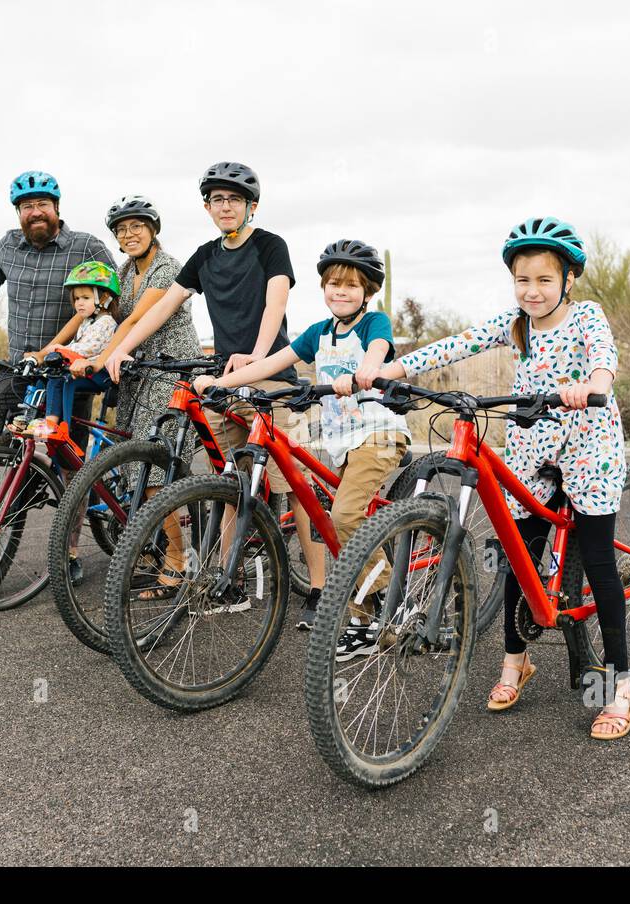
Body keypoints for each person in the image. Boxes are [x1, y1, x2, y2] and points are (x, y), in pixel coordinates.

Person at [370, 217, 630, 739]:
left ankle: (622, 685)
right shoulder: (515, 324)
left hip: (589, 442)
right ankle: (516, 662)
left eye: (544, 279)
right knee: (518, 554)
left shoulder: (586, 316)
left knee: (600, 562)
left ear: (568, 280)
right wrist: (391, 372)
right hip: (533, 442)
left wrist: (593, 383)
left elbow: (604, 357)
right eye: (522, 280)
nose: (532, 291)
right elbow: (456, 345)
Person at [104, 162, 308, 613]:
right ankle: (230, 582)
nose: (226, 206)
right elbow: (163, 307)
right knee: (230, 484)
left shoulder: (271, 245)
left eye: (234, 199)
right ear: (207, 208)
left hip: (269, 377)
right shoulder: (205, 256)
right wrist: (123, 348)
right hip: (225, 382)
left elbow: (275, 303)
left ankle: (318, 586)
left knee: (293, 486)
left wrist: (257, 356)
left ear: (251, 206)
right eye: (217, 200)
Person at [193, 239, 409, 633]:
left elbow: (378, 348)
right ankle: (364, 621)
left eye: (351, 285)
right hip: (342, 442)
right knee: (338, 525)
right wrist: (220, 384)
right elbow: (271, 363)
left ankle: (385, 601)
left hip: (377, 435)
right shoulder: (318, 333)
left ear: (368, 292)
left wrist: (367, 370)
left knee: (343, 517)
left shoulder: (373, 323)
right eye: (333, 284)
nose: (340, 291)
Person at [0, 170, 117, 448]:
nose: (36, 212)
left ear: (56, 207)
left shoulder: (86, 246)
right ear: (18, 212)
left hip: (67, 374)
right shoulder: (7, 246)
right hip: (20, 368)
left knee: (68, 462)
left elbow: (116, 298)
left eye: (43, 204)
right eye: (27, 206)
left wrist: (106, 356)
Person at [94, 195, 201, 597]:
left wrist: (100, 360)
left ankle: (179, 558)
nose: (129, 234)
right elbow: (107, 317)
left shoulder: (168, 268)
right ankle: (155, 549)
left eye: (136, 226)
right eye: (121, 229)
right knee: (132, 466)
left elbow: (137, 319)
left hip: (172, 371)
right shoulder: (122, 272)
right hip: (137, 373)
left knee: (152, 469)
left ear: (153, 229)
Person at [14, 261, 120, 441]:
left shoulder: (106, 322)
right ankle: (30, 416)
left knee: (59, 378)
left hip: (99, 373)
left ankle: (53, 425)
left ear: (103, 299)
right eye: (77, 299)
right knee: (44, 376)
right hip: (81, 369)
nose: (79, 303)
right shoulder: (88, 322)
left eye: (85, 298)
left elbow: (88, 348)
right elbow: (76, 346)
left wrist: (60, 349)